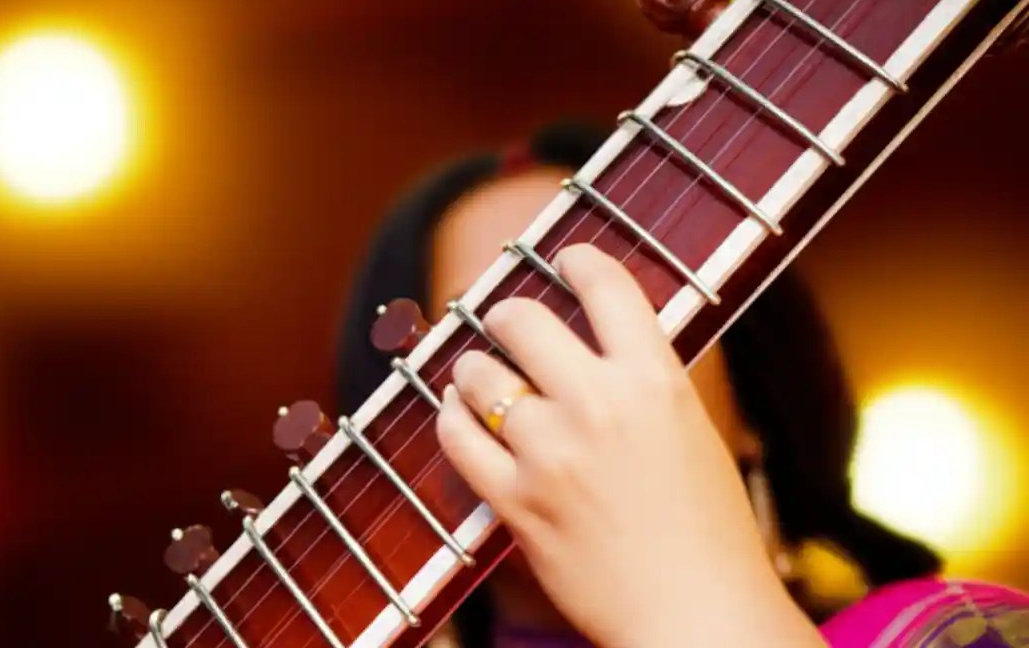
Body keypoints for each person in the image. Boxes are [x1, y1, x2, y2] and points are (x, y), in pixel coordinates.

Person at [336, 124, 1029, 647]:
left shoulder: (957, 631)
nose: (561, 371)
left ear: (752, 403)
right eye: (482, 343)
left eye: (618, 310)